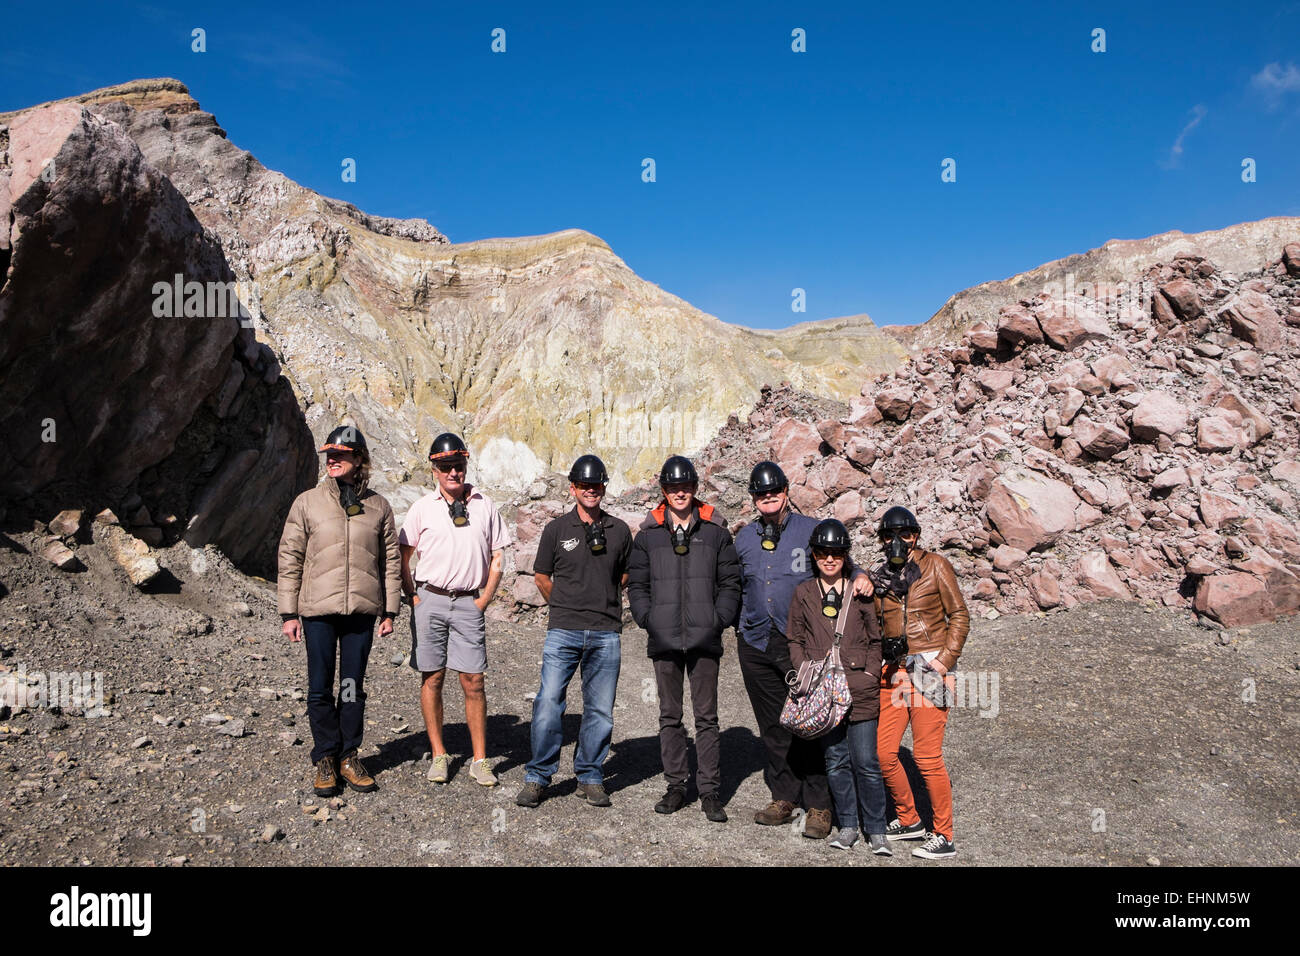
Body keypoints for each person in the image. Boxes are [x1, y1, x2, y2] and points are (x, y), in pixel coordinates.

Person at [733, 461, 874, 840]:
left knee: (811, 722)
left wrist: (860, 575)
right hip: (755, 641)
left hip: (801, 642)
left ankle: (819, 804)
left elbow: (845, 562)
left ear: (786, 492)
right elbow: (733, 586)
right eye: (761, 494)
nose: (768, 498)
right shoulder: (744, 538)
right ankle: (784, 796)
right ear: (753, 498)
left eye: (774, 491)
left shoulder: (810, 530)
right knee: (774, 727)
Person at [278, 425, 400, 797]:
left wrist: (390, 610)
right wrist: (288, 613)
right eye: (329, 455)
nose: (333, 460)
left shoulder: (379, 506)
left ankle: (349, 755)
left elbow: (391, 560)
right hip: (317, 612)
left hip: (360, 614)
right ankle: (325, 758)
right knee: (319, 687)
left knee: (350, 688)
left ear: (359, 460)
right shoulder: (307, 503)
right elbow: (290, 557)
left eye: (341, 455)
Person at [627, 455, 741, 823]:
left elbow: (730, 583)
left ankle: (709, 791)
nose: (680, 493)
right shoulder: (648, 537)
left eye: (686, 487)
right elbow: (637, 585)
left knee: (706, 717)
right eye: (673, 488)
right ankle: (677, 785)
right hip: (664, 638)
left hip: (704, 637)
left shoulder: (716, 534)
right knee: (669, 716)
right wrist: (648, 620)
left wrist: (718, 620)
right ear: (664, 491)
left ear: (694, 489)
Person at [517, 454, 633, 809]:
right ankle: (538, 775)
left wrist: (604, 599)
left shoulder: (620, 530)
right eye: (584, 485)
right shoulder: (556, 530)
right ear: (573, 488)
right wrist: (564, 604)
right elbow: (541, 576)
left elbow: (626, 575)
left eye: (597, 485)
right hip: (563, 630)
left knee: (600, 709)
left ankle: (591, 775)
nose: (591, 491)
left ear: (604, 488)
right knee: (549, 703)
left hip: (605, 632)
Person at [399, 433, 511, 788]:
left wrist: (483, 600)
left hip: (468, 602)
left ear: (465, 466)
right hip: (429, 599)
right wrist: (414, 598)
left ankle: (480, 759)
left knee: (473, 680)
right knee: (432, 677)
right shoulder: (421, 508)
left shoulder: (485, 505)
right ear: (434, 469)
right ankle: (439, 755)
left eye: (458, 465)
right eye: (445, 466)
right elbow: (403, 557)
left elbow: (498, 557)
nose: (453, 472)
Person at [871, 506, 970, 860]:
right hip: (894, 670)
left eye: (905, 534)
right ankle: (909, 819)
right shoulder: (880, 576)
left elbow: (959, 614)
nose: (898, 542)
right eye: (889, 536)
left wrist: (944, 661)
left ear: (917, 535)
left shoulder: (935, 566)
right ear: (882, 540)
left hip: (929, 666)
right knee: (883, 753)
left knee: (927, 757)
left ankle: (943, 834)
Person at [787, 519, 889, 853]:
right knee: (836, 761)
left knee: (866, 762)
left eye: (836, 553)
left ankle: (875, 828)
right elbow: (795, 637)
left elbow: (876, 639)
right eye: (822, 552)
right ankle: (847, 826)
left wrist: (871, 674)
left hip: (860, 688)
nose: (829, 559)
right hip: (822, 694)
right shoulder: (803, 593)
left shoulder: (861, 591)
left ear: (845, 556)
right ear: (813, 555)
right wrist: (804, 669)